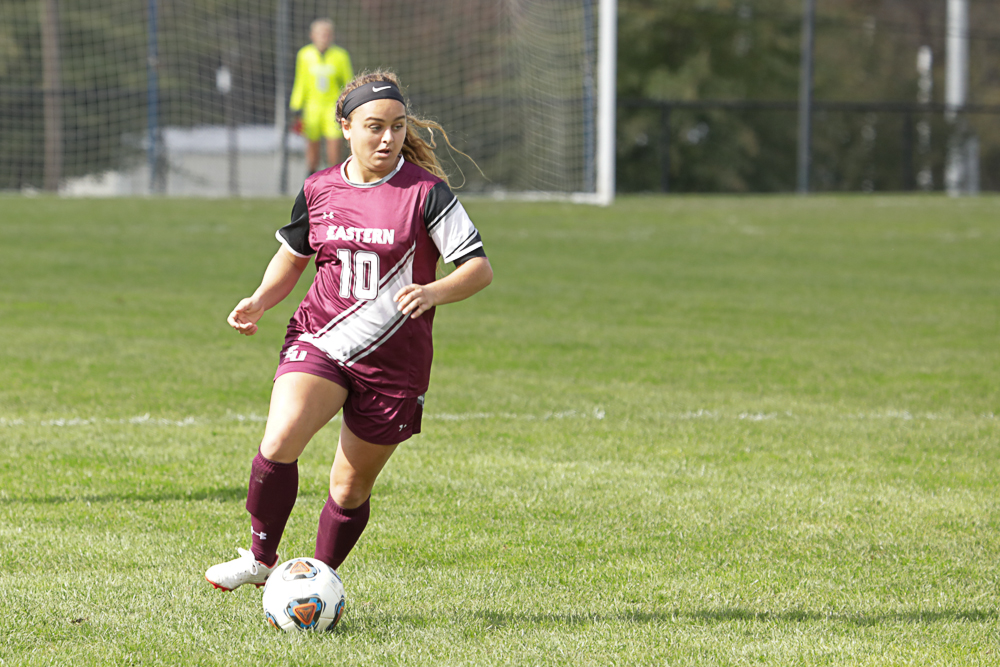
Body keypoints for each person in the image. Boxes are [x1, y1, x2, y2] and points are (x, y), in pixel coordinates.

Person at [205, 70, 493, 591]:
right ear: (345, 127)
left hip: (394, 362)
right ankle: (260, 557)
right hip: (321, 338)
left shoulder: (427, 194)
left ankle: (318, 583)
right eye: (375, 126)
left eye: (398, 127)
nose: (388, 138)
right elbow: (293, 259)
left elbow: (478, 269)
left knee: (350, 485)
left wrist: (433, 292)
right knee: (281, 437)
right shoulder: (319, 188)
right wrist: (260, 301)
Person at [289, 18, 353, 175]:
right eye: (320, 33)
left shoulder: (341, 56)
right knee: (312, 155)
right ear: (312, 35)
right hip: (311, 110)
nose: (324, 37)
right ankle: (309, 189)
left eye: (327, 34)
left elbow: (349, 84)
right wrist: (296, 107)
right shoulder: (304, 55)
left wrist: (350, 106)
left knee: (334, 153)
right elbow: (300, 82)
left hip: (333, 109)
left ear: (332, 36)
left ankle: (336, 185)